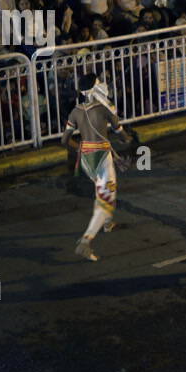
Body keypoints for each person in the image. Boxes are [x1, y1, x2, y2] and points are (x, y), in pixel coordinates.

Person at [60, 74, 132, 262]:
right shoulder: (104, 109)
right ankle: (85, 242)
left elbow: (65, 140)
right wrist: (129, 140)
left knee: (104, 189)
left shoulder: (75, 111)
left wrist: (82, 147)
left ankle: (107, 223)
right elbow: (121, 134)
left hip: (86, 159)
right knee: (105, 200)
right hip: (102, 157)